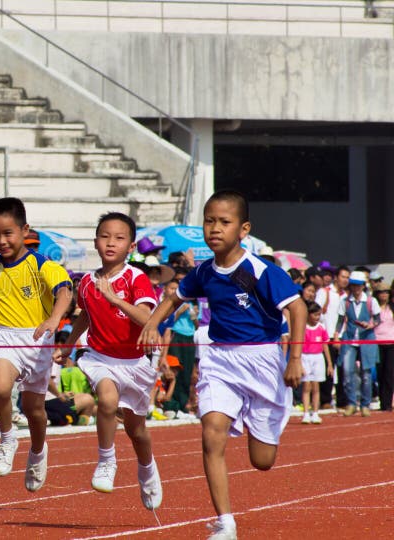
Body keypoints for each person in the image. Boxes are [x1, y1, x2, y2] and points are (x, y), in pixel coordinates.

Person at [138, 189, 306, 540]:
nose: (214, 228)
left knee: (262, 460)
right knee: (211, 432)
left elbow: (298, 307)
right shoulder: (204, 272)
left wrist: (294, 359)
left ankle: (257, 423)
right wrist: (153, 323)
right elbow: (175, 298)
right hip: (219, 360)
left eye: (224, 222)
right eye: (209, 221)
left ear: (243, 229)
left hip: (262, 361)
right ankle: (225, 522)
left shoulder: (261, 270)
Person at [54, 212, 162, 508]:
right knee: (107, 400)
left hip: (135, 364)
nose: (110, 243)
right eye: (104, 236)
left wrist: (114, 298)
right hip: (100, 357)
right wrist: (68, 344)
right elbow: (85, 316)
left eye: (119, 238)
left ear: (131, 246)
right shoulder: (87, 283)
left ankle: (147, 468)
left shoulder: (136, 278)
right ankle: (106, 460)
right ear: (95, 242)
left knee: (137, 430)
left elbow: (146, 318)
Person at [0, 197, 73, 492]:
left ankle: (37, 451)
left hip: (37, 339)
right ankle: (7, 438)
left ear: (24, 230)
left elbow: (65, 291)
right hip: (4, 336)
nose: (1, 241)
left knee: (35, 410)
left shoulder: (41, 264)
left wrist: (54, 319)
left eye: (8, 233)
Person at [336, 270, 380, 418]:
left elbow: (378, 319)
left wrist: (370, 325)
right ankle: (351, 403)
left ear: (363, 286)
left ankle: (365, 404)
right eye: (354, 285)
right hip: (349, 338)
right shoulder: (345, 301)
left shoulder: (371, 301)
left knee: (366, 374)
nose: (356, 288)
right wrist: (336, 334)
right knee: (347, 371)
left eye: (359, 285)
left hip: (367, 339)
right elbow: (340, 320)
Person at [315, 265, 349, 409]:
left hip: (342, 336)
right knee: (328, 368)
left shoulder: (347, 296)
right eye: (343, 277)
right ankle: (325, 400)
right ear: (336, 277)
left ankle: (342, 400)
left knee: (343, 369)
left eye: (347, 277)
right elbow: (316, 312)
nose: (345, 280)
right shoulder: (324, 292)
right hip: (327, 336)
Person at [301, 301, 332, 424]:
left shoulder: (321, 327)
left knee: (315, 386)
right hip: (305, 357)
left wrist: (329, 364)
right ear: (308, 314)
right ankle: (305, 413)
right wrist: (299, 363)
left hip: (318, 358)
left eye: (319, 315)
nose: (317, 317)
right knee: (306, 386)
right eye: (315, 315)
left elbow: (325, 346)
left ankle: (315, 413)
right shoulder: (303, 328)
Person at [373, 283, 394, 412]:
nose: (384, 294)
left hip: (391, 342)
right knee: (380, 373)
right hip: (377, 342)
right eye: (381, 292)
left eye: (386, 292)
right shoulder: (373, 307)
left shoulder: (392, 307)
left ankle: (388, 403)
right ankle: (382, 401)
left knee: (389, 373)